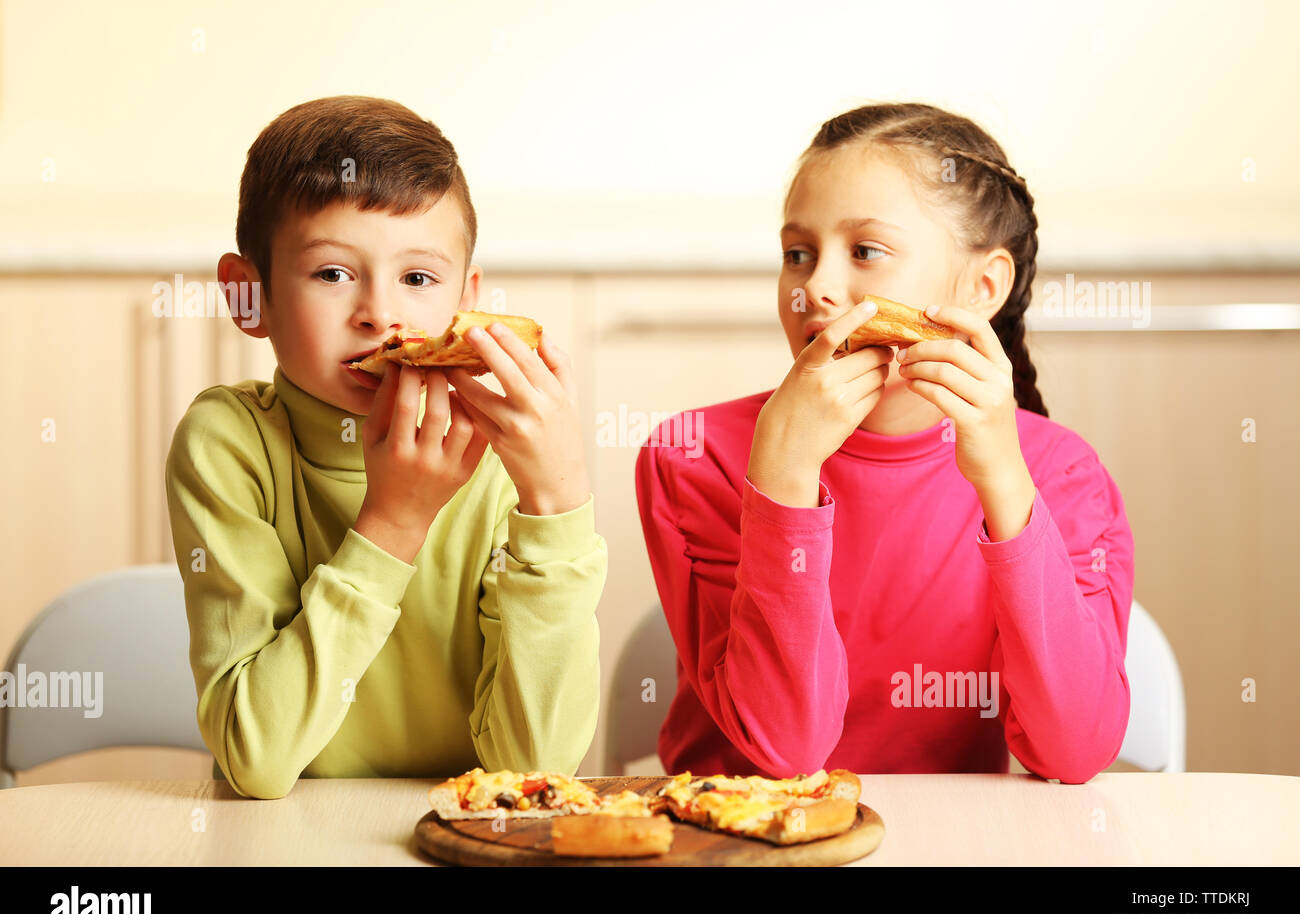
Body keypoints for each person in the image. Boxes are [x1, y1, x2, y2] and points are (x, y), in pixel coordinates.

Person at [636, 102, 1134, 785]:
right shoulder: (694, 456)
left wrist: (1005, 486)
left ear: (982, 286)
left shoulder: (1061, 472)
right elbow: (787, 751)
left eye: (865, 251)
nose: (815, 289)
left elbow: (1073, 751)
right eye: (797, 254)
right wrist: (783, 477)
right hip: (735, 839)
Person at [165, 96, 605, 799]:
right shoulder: (228, 446)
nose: (381, 312)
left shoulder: (498, 458)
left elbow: (534, 772)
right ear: (250, 298)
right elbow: (257, 760)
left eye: (418, 278)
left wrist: (556, 504)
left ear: (466, 300)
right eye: (333, 273)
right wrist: (395, 521)